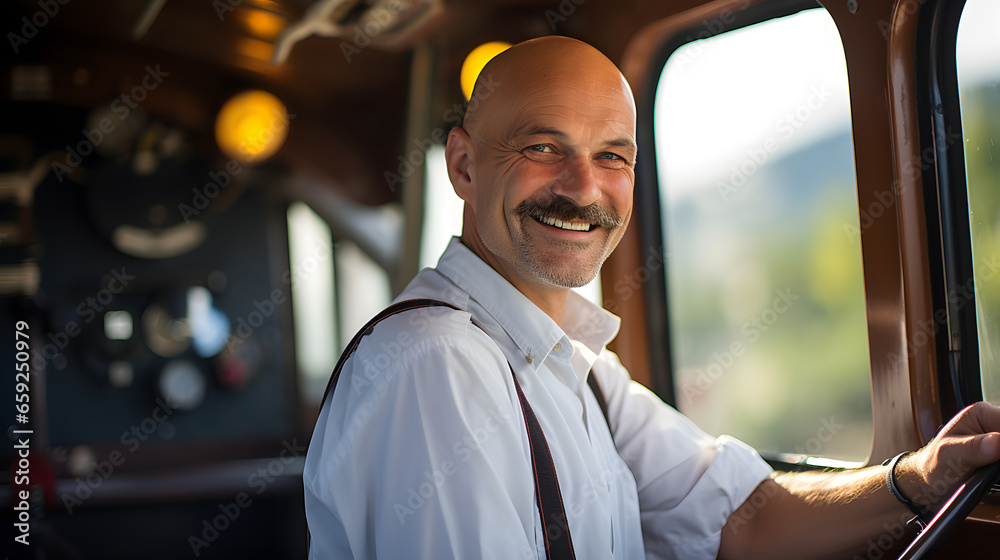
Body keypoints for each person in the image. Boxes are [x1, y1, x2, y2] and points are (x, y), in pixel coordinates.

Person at [302, 36, 1000, 559]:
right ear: (463, 165)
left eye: (612, 156)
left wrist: (923, 474)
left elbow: (745, 516)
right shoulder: (437, 363)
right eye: (544, 146)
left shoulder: (575, 367)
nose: (582, 188)